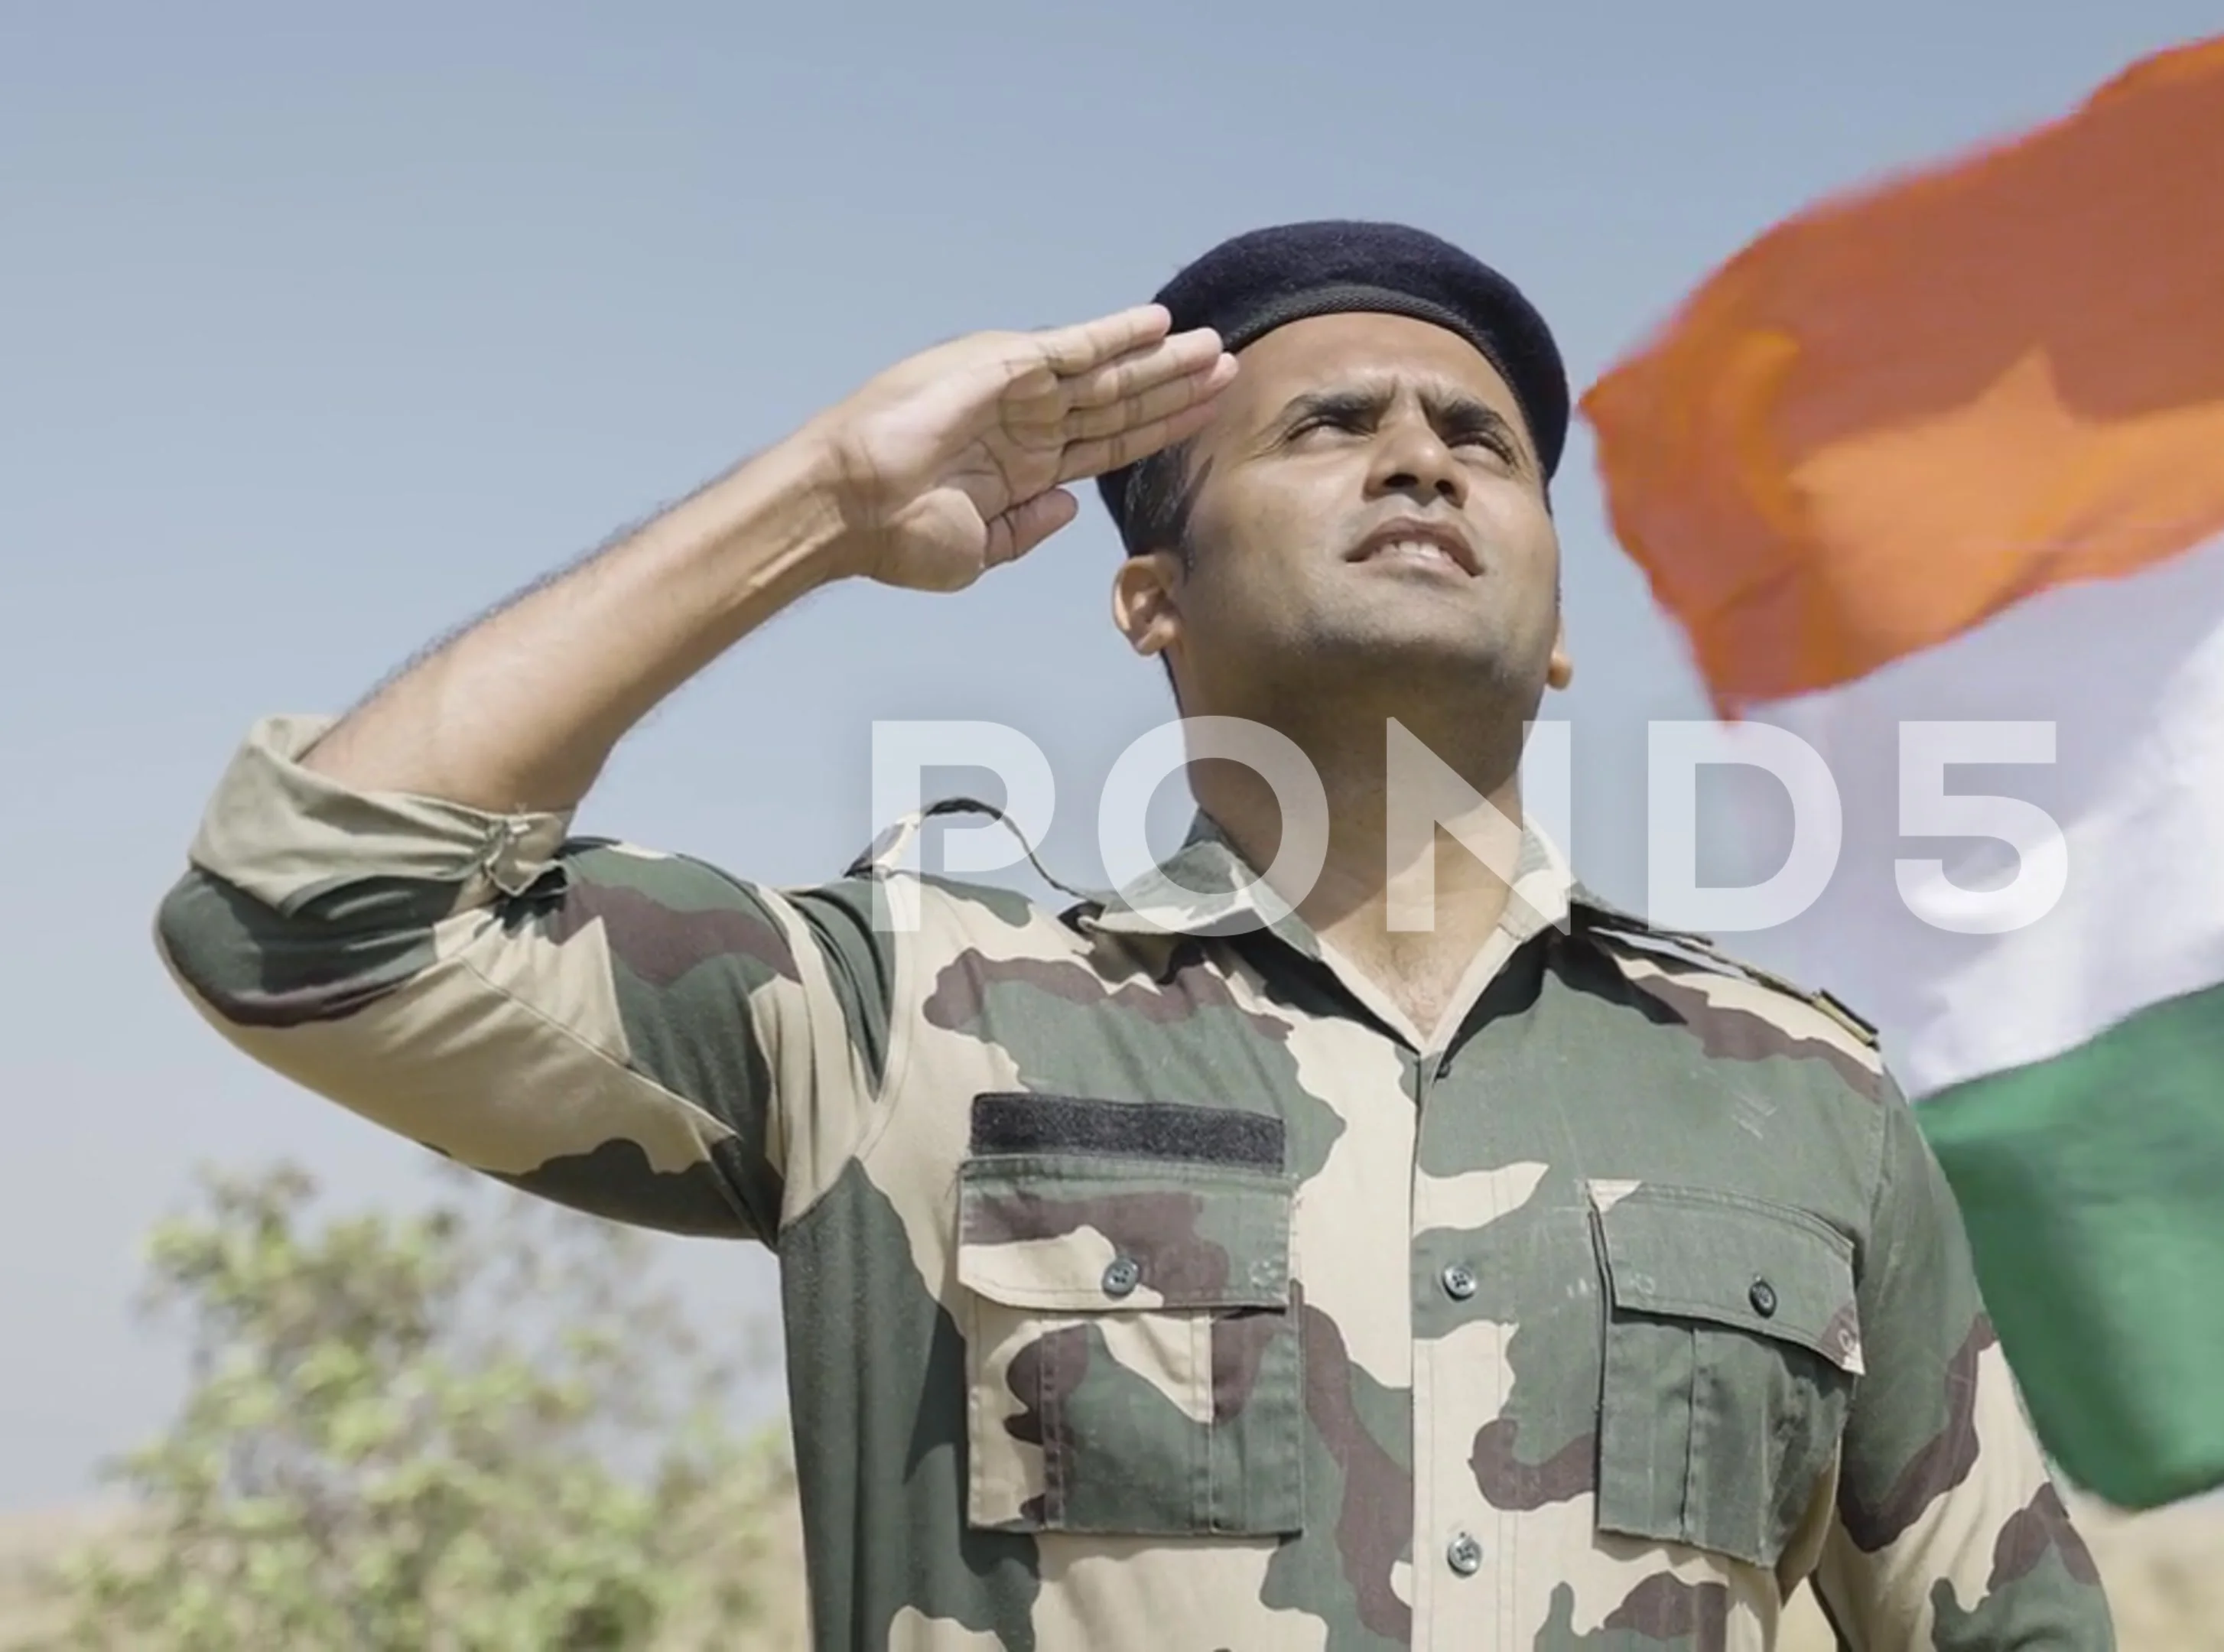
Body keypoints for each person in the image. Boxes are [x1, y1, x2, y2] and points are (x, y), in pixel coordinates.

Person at [151, 220, 2116, 1651]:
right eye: (1328, 425)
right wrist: (823, 502)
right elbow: (304, 913)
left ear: (1562, 614)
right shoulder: (910, 1016)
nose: (1423, 454)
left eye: (1482, 438)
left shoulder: (1801, 1091)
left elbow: (2012, 1627)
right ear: (1146, 600)